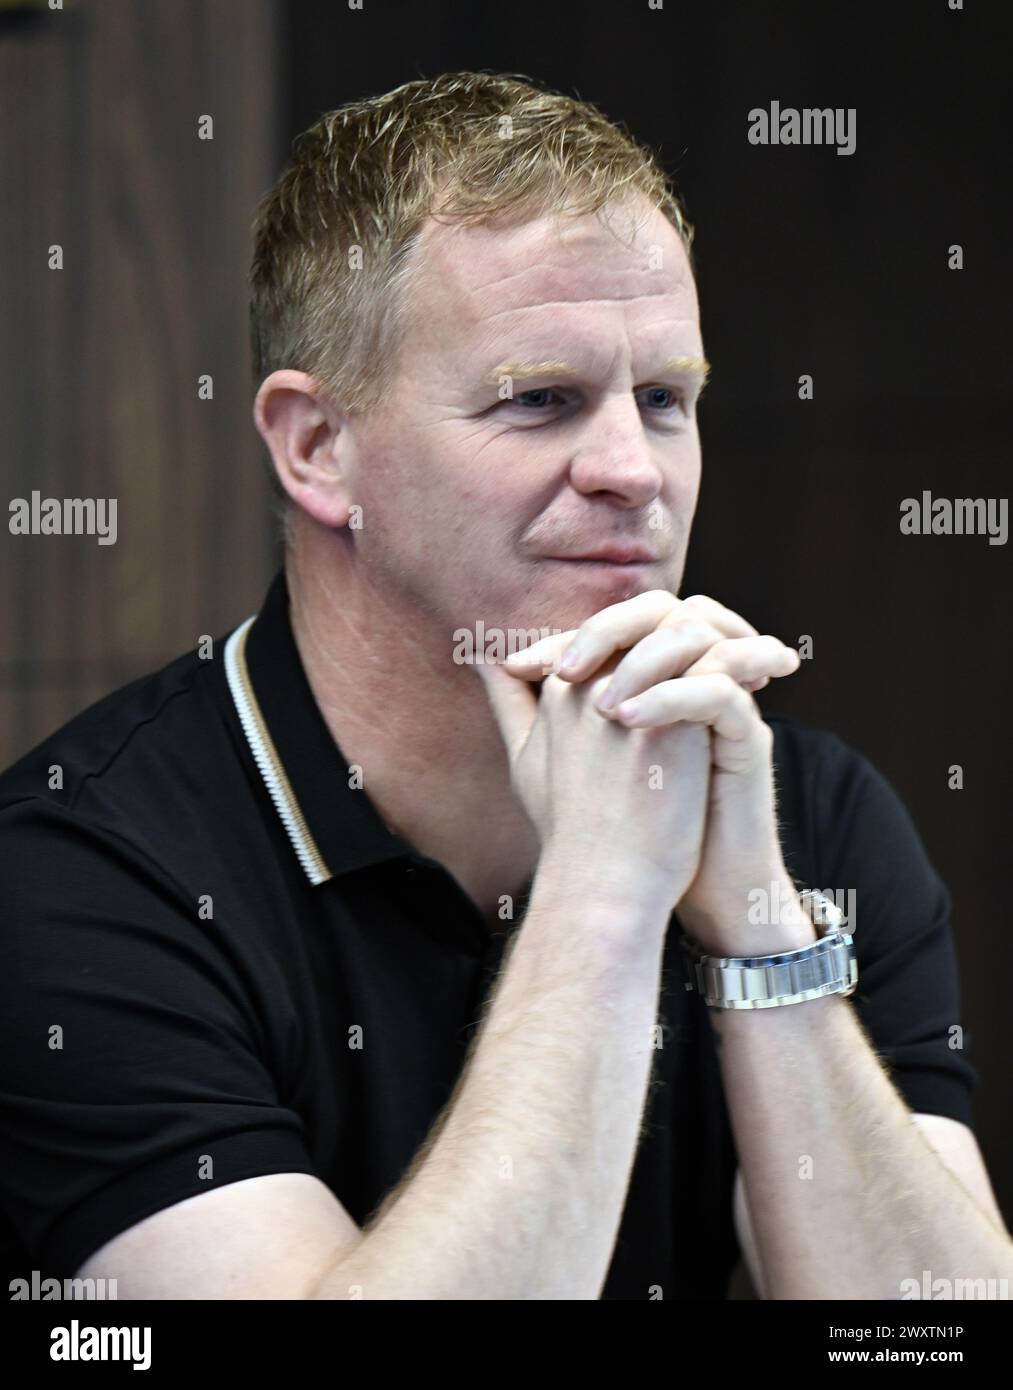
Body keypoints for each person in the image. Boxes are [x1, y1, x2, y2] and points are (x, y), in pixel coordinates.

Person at [1, 71, 1009, 1301]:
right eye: (541, 401)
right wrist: (599, 896)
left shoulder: (806, 814)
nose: (633, 472)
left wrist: (755, 928)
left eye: (664, 399)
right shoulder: (77, 873)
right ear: (319, 449)